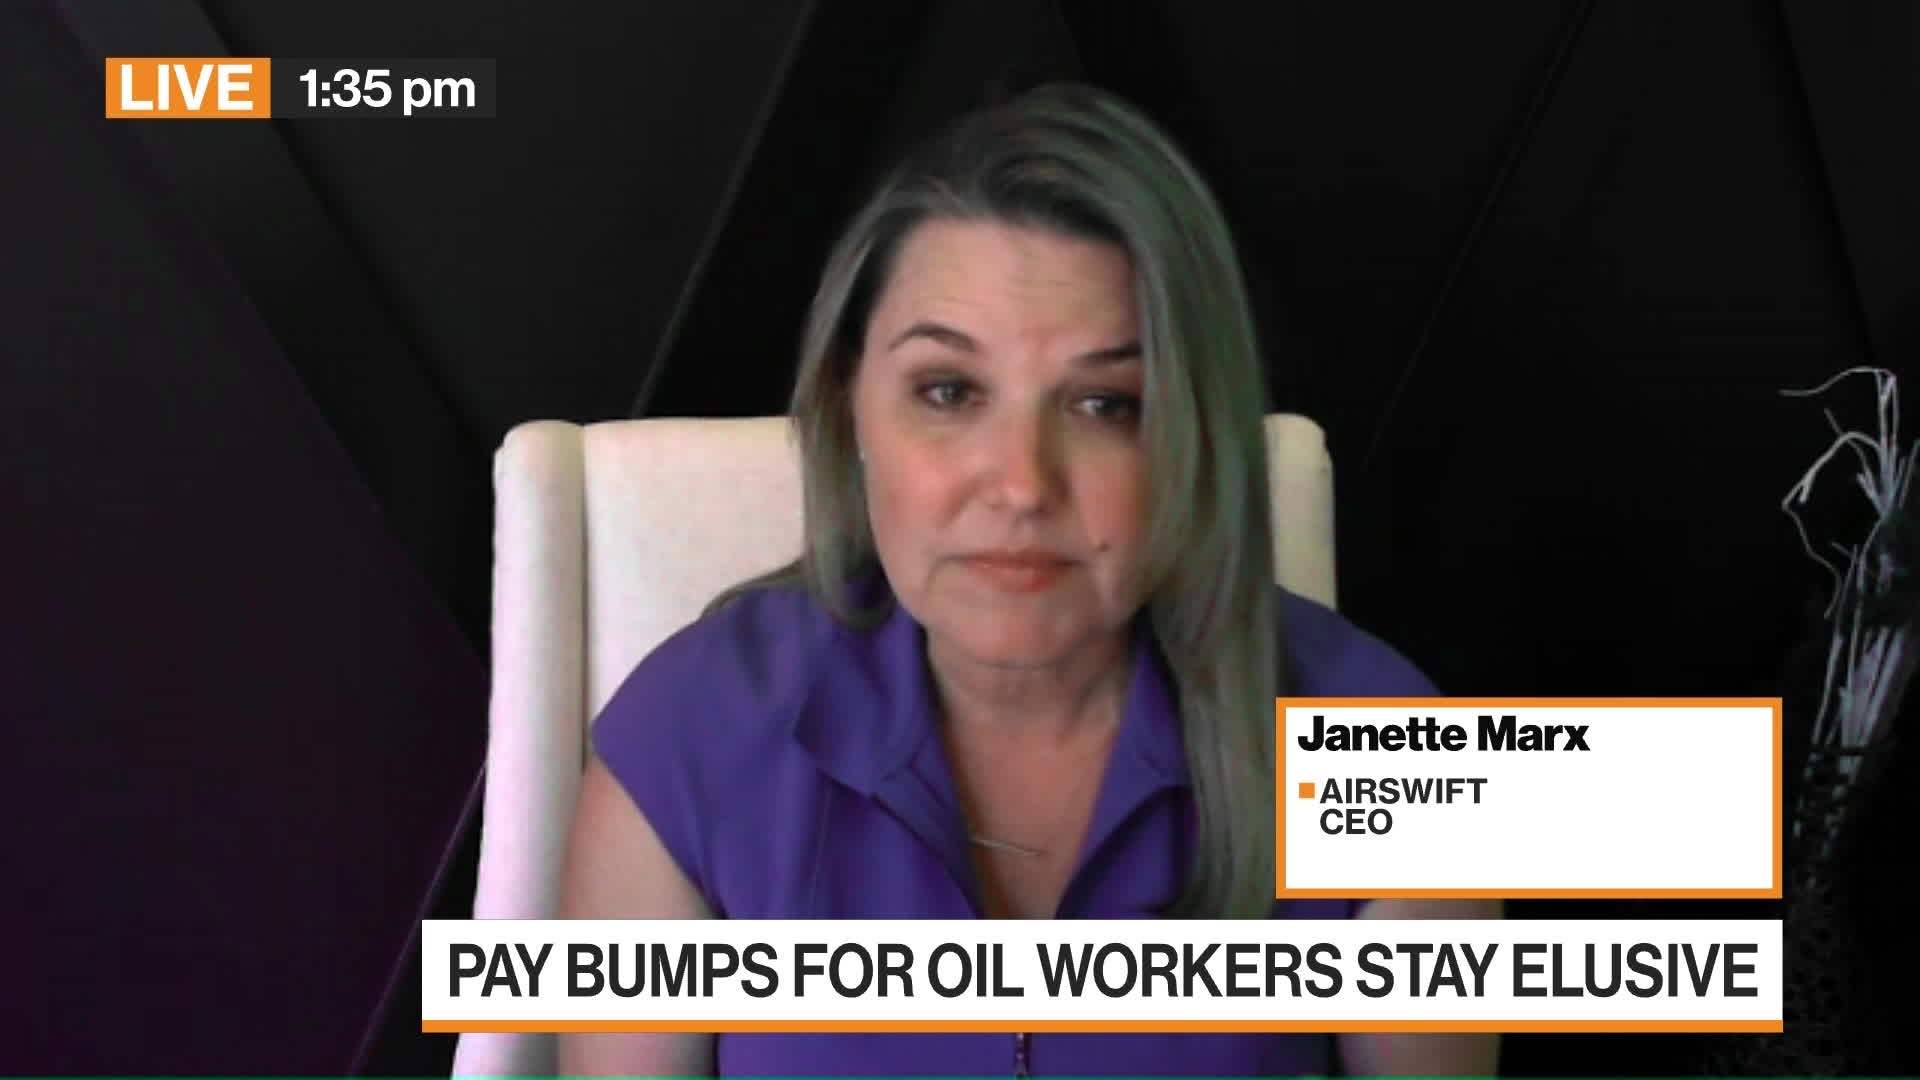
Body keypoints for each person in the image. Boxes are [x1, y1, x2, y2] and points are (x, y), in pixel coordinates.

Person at [558, 82, 1499, 1077]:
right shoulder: (686, 736)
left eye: (1107, 404)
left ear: (1197, 435)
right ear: (849, 409)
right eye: (948, 391)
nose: (1020, 484)